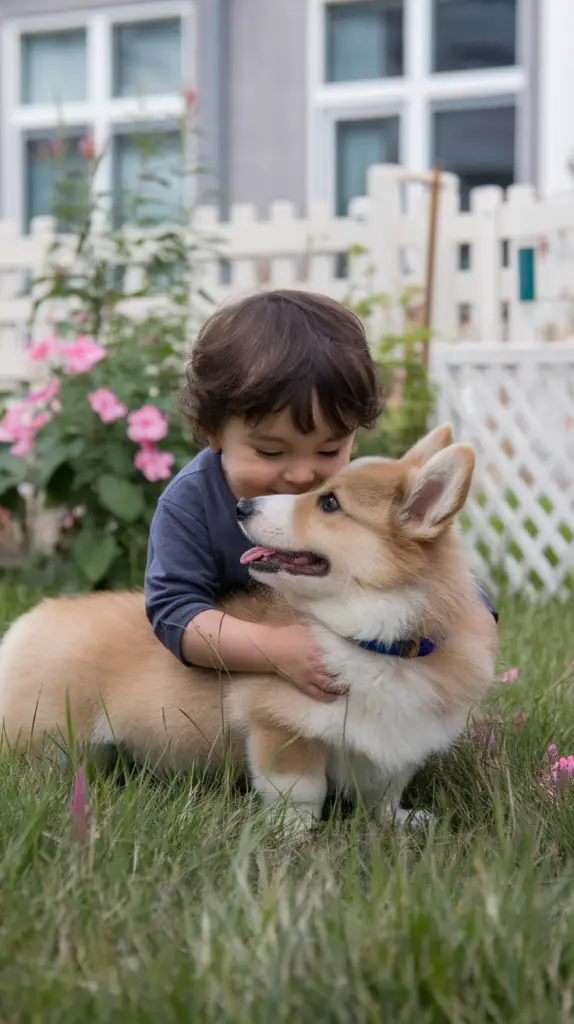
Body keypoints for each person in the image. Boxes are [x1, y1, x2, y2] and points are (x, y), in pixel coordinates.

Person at [144, 289, 384, 703]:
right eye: (270, 452)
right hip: (228, 684)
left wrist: (475, 615)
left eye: (330, 450)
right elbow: (175, 614)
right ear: (213, 431)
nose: (303, 474)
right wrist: (274, 651)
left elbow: (420, 562)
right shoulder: (191, 503)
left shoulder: (356, 495)